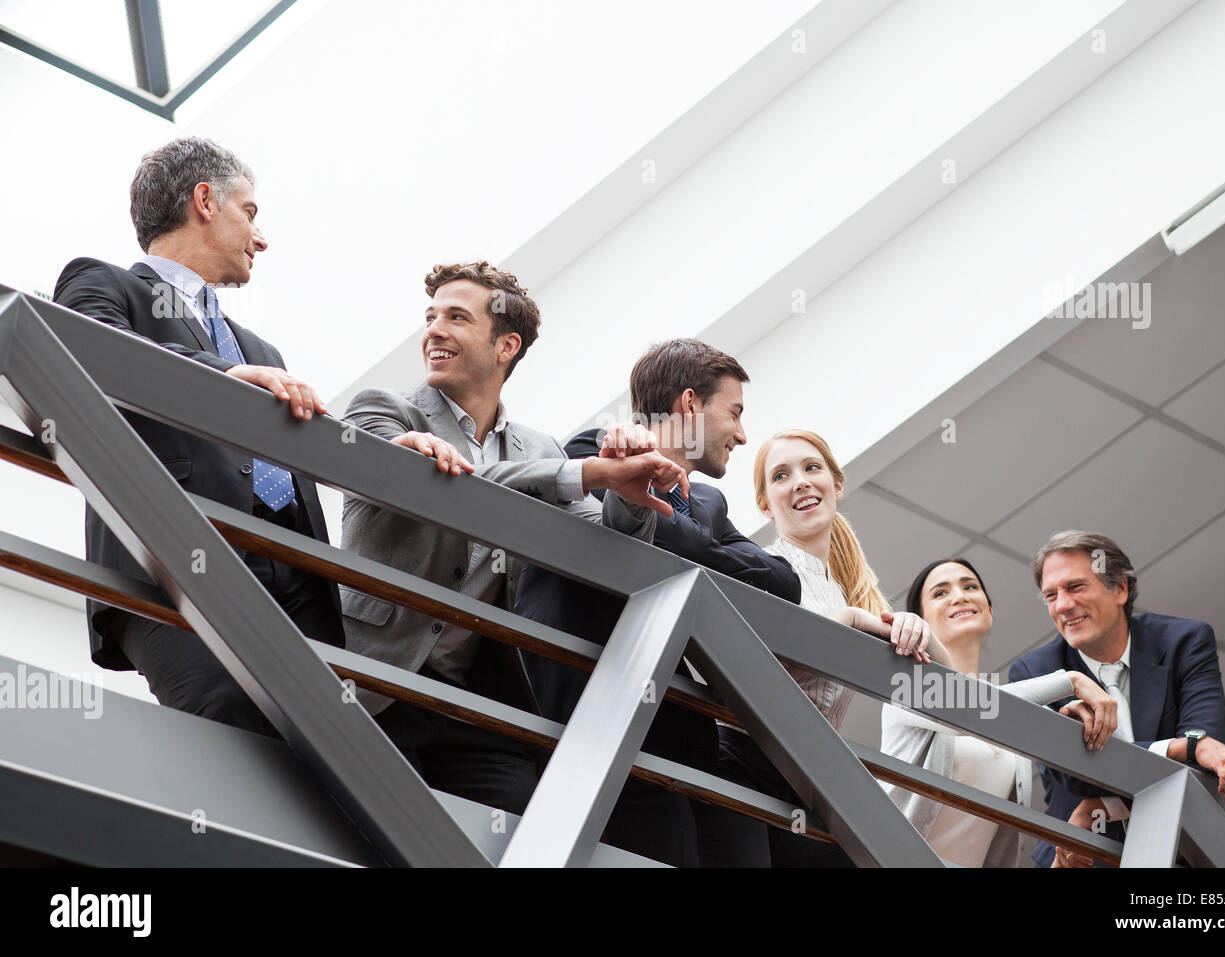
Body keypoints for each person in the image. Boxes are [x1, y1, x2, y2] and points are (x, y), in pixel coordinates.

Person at [340, 262, 685, 817]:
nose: (434, 330)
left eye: (456, 317)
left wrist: (628, 483)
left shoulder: (540, 448)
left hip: (475, 702)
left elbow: (605, 545)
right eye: (430, 317)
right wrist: (592, 473)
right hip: (373, 678)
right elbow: (461, 492)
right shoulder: (384, 409)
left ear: (506, 345)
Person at [52, 137, 344, 736]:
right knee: (237, 744)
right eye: (251, 213)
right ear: (205, 201)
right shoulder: (102, 284)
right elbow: (97, 358)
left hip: (296, 579)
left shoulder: (263, 350)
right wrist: (228, 377)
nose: (260, 238)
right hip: (175, 569)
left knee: (329, 751)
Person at [513, 338, 801, 866]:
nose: (742, 433)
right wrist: (699, 543)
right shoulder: (592, 453)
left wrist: (694, 541)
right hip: (588, 723)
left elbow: (782, 583)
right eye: (734, 413)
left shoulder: (708, 501)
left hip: (675, 737)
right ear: (690, 405)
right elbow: (658, 541)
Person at [706, 429, 941, 867]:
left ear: (837, 484)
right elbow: (760, 664)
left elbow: (950, 683)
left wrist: (915, 626)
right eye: (781, 475)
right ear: (764, 503)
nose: (799, 481)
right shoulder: (763, 567)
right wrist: (850, 623)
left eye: (811, 468)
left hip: (807, 781)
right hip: (741, 764)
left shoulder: (843, 591)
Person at [1010, 530, 1225, 867]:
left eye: (1075, 587)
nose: (1063, 605)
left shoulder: (1184, 642)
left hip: (1182, 854)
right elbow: (1071, 775)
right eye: (1051, 595)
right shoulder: (1034, 672)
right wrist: (1182, 747)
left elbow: (1209, 756)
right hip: (1079, 857)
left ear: (1120, 589)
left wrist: (1104, 806)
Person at [885, 557, 1117, 867]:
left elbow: (994, 844)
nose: (960, 596)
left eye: (970, 586)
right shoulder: (907, 685)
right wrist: (1069, 681)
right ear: (920, 620)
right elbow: (969, 710)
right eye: (941, 593)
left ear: (990, 613)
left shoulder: (1011, 718)